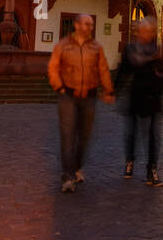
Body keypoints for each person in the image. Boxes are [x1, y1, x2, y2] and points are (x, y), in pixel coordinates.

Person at [48, 14, 114, 193]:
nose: (89, 27)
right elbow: (53, 67)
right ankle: (68, 176)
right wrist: (59, 87)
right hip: (68, 96)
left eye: (91, 24)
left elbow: (103, 70)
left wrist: (109, 90)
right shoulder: (63, 45)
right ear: (76, 25)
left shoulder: (96, 47)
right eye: (86, 24)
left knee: (84, 136)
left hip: (90, 97)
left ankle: (76, 166)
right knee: (68, 136)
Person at [115, 16, 163, 185]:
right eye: (144, 31)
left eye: (150, 31)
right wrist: (114, 90)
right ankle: (130, 160)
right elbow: (123, 71)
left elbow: (162, 73)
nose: (147, 34)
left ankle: (151, 169)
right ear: (139, 32)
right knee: (132, 132)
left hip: (153, 98)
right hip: (136, 96)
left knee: (153, 136)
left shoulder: (156, 50)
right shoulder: (131, 49)